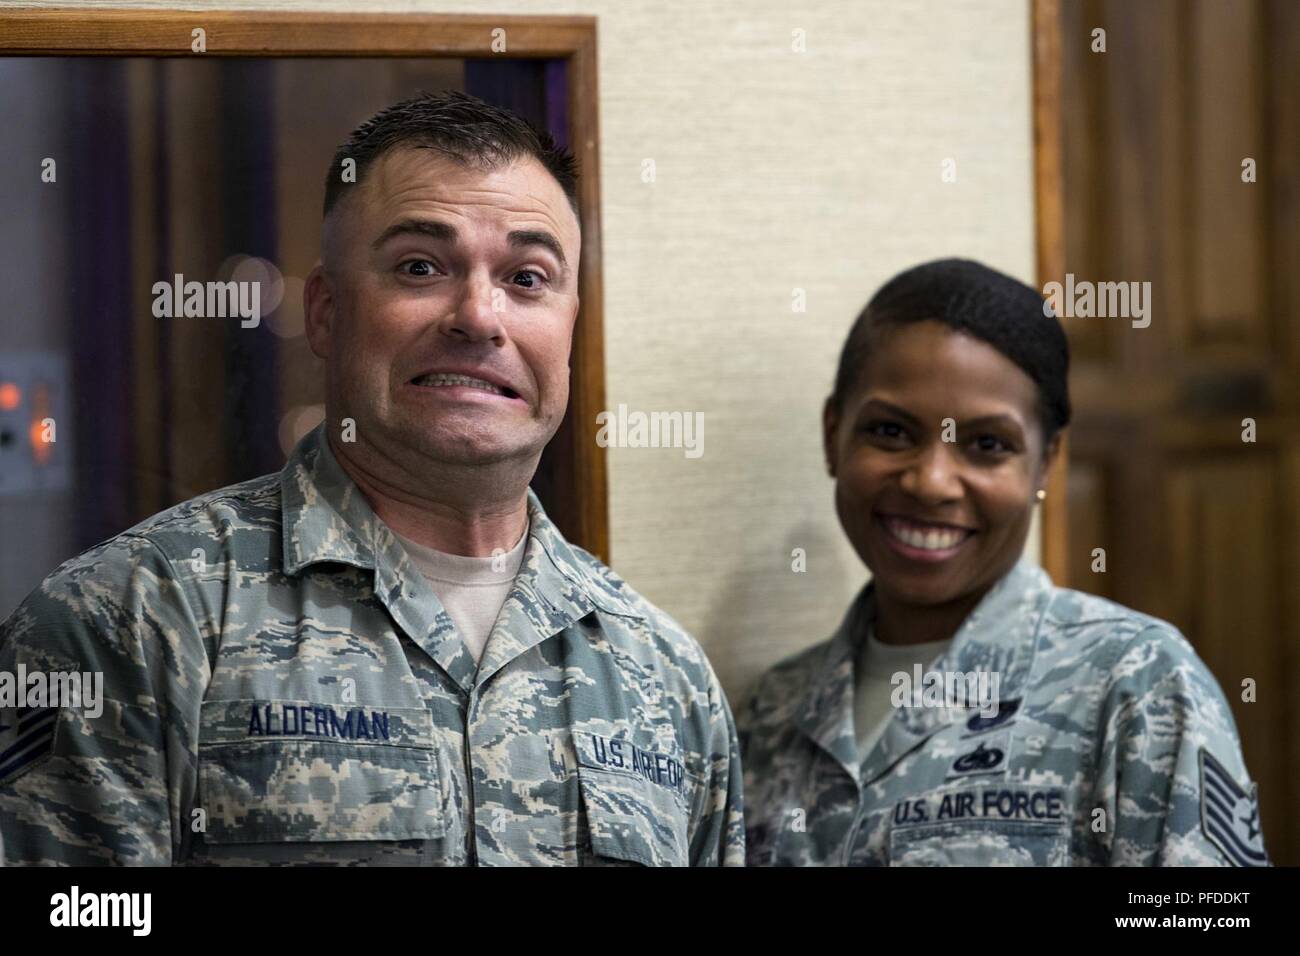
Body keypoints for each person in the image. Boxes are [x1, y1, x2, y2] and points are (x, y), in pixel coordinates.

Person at [0, 91, 743, 866]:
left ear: (570, 327)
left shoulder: (665, 676)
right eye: (421, 267)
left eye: (527, 278)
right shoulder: (131, 619)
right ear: (325, 312)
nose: (479, 317)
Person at [739, 258, 1267, 866]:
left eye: (988, 445)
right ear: (834, 434)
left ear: (1045, 463)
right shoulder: (769, 714)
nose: (931, 482)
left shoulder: (1135, 684)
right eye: (890, 431)